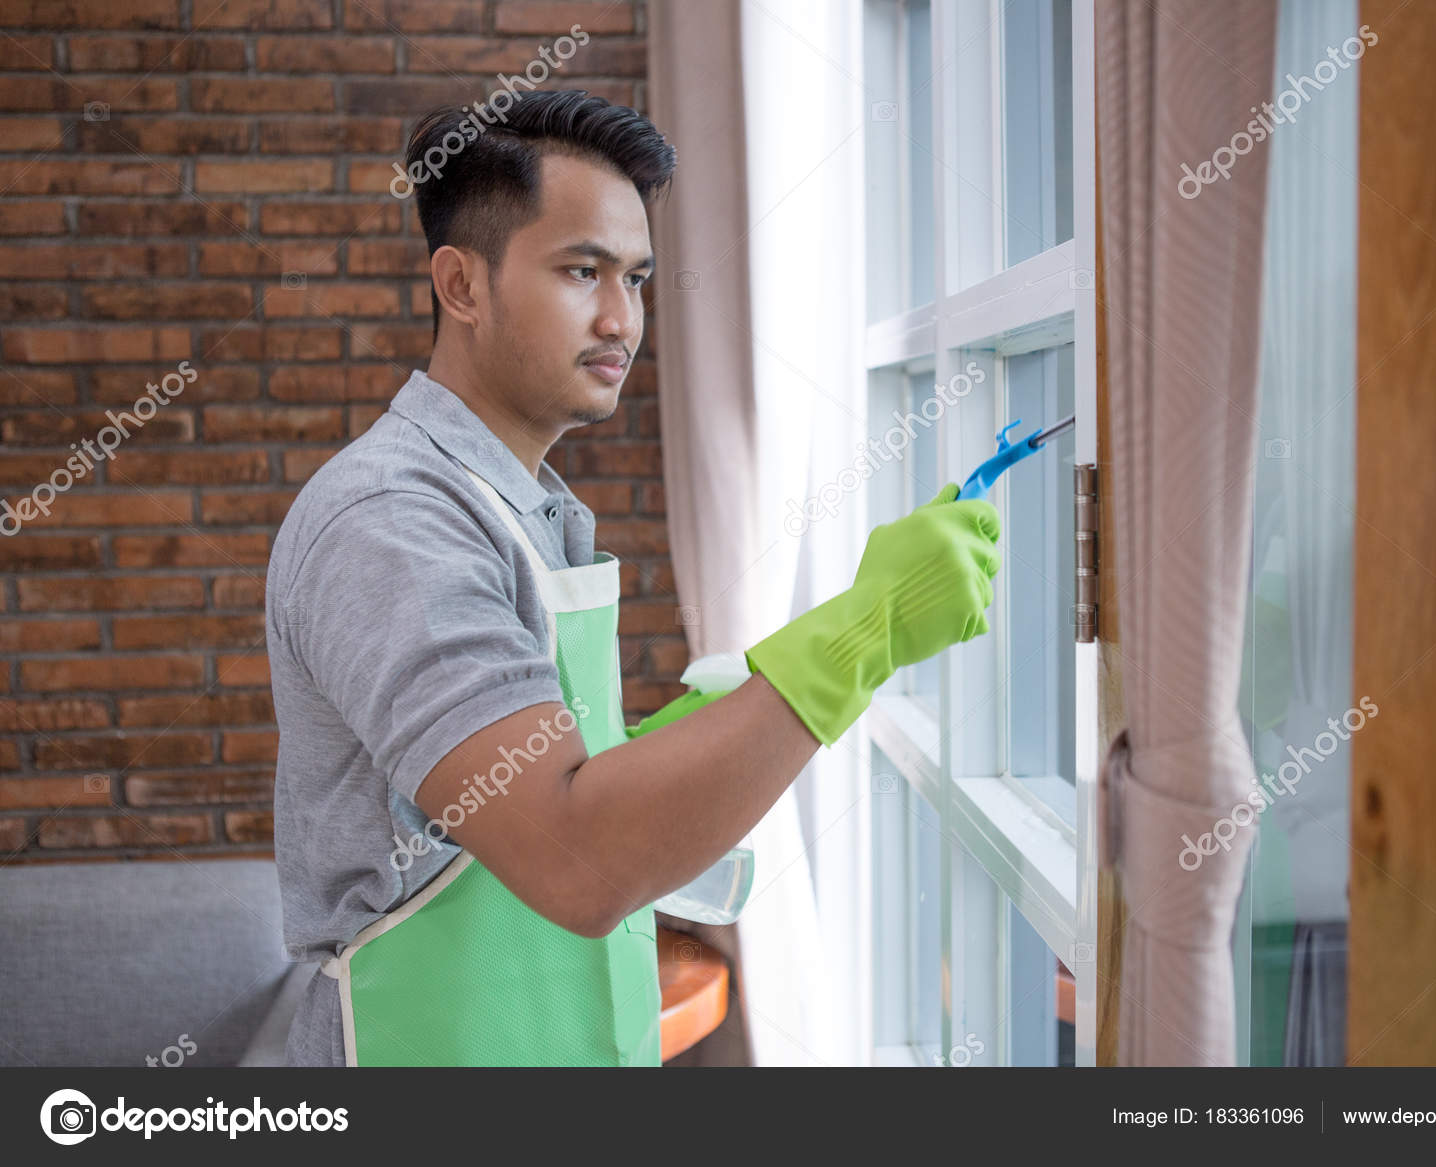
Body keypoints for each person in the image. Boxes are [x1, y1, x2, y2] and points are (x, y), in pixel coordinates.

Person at [265, 89, 1001, 1067]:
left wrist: (726, 705)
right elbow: (575, 857)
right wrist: (868, 630)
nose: (622, 319)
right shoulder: (394, 523)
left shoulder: (526, 507)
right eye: (582, 272)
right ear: (462, 285)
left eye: (639, 279)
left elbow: (555, 781)